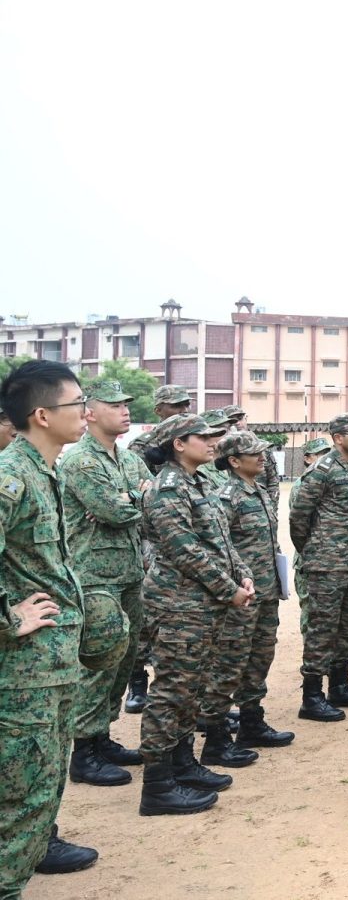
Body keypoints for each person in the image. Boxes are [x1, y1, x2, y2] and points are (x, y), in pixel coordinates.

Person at [0, 361, 96, 893]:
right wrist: (9, 620)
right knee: (20, 798)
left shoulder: (46, 471)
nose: (85, 412)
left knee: (39, 793)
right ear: (41, 414)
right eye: (76, 404)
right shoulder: (10, 478)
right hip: (23, 673)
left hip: (52, 666)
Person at [138, 412, 253, 817]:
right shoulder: (168, 489)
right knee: (172, 691)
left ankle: (182, 763)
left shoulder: (202, 481)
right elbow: (184, 550)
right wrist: (229, 590)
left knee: (192, 688)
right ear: (178, 444)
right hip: (178, 605)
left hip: (203, 604)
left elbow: (221, 538)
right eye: (202, 436)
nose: (213, 442)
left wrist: (243, 573)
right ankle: (157, 784)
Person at [58, 379, 153, 788]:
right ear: (90, 413)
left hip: (130, 573)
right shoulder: (81, 461)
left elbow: (156, 500)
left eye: (127, 404)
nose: (126, 410)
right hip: (94, 577)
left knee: (125, 657)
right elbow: (113, 510)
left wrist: (130, 499)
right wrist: (135, 499)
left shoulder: (129, 459)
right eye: (115, 405)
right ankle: (84, 752)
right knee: (98, 661)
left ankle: (103, 736)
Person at [206, 431, 294, 753]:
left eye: (263, 452)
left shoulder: (256, 490)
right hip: (241, 598)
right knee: (230, 663)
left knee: (260, 658)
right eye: (254, 453)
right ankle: (215, 737)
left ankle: (251, 723)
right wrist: (233, 588)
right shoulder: (226, 497)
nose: (262, 458)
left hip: (266, 592)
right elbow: (217, 548)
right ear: (233, 461)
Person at [288, 413, 348, 722]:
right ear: (338, 438)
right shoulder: (322, 470)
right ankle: (312, 696)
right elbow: (299, 516)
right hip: (326, 563)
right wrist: (312, 548)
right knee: (322, 628)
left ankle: (340, 686)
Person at [222, 405, 280, 505]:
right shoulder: (221, 450)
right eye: (232, 421)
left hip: (262, 502)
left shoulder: (263, 447)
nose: (238, 423)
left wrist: (271, 507)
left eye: (240, 419)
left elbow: (273, 481)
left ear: (246, 419)